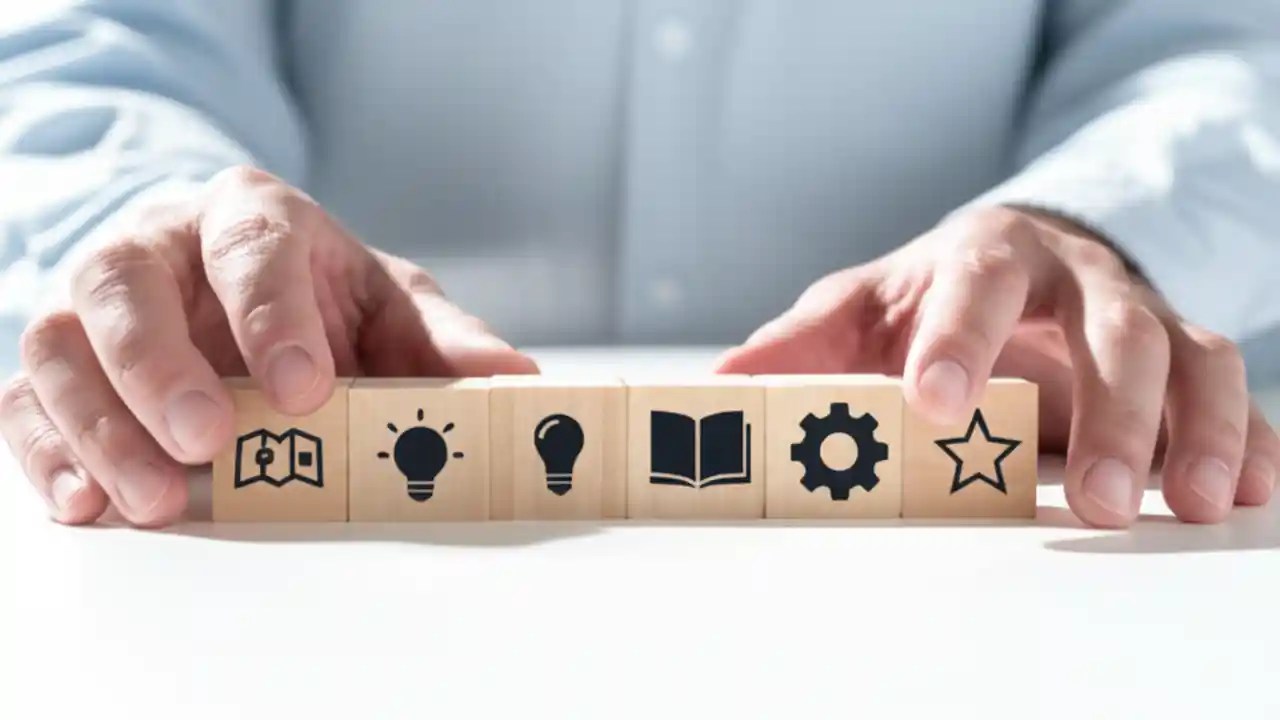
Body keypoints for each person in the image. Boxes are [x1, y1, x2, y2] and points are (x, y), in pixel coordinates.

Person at [2, 1, 1279, 530]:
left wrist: (1091, 228)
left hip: (1006, 486)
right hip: (315, 508)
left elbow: (1219, 44)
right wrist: (158, 222)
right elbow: (100, 35)